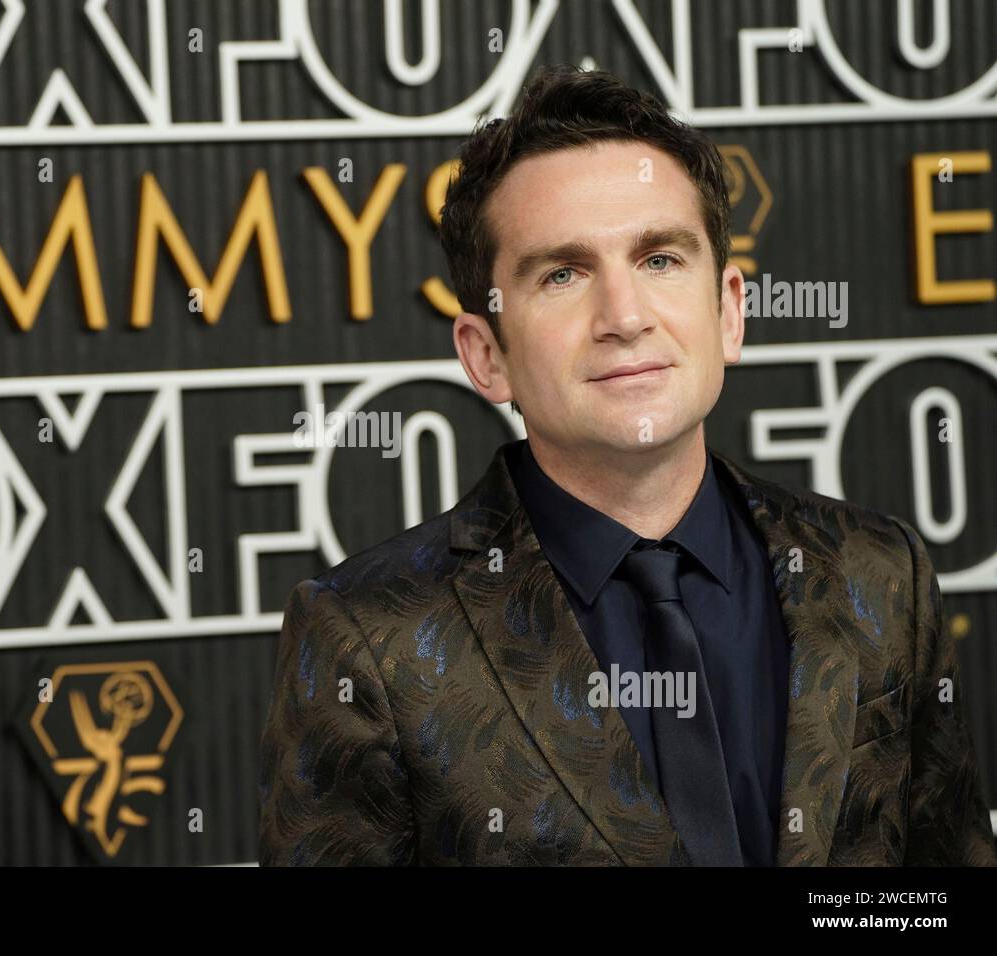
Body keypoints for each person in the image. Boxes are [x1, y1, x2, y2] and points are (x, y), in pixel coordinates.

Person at [257, 65, 997, 866]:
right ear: (485, 354)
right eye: (562, 274)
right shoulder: (371, 638)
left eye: (660, 259)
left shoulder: (880, 574)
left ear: (729, 311)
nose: (625, 317)